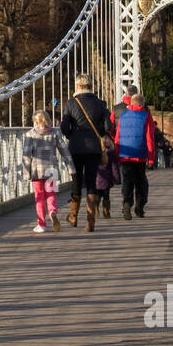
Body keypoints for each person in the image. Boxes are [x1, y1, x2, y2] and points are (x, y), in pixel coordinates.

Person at [59, 73, 114, 232]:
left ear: (77, 86)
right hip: (94, 149)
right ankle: (90, 221)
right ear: (91, 86)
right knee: (91, 182)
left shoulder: (70, 103)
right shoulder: (100, 103)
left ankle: (73, 216)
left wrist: (71, 136)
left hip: (76, 147)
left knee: (76, 180)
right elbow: (108, 126)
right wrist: (99, 133)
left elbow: (64, 127)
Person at [22, 111, 71, 232]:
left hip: (36, 171)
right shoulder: (55, 133)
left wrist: (26, 172)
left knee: (39, 197)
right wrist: (71, 168)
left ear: (36, 122)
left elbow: (26, 155)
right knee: (51, 194)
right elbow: (64, 151)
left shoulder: (30, 134)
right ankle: (52, 211)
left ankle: (42, 224)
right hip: (52, 170)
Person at [114, 93, 157, 220]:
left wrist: (117, 155)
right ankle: (139, 207)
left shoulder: (123, 116)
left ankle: (127, 203)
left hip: (125, 154)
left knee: (127, 181)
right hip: (140, 154)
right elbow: (150, 138)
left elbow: (118, 136)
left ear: (131, 103)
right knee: (141, 181)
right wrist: (151, 157)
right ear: (142, 103)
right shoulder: (146, 115)